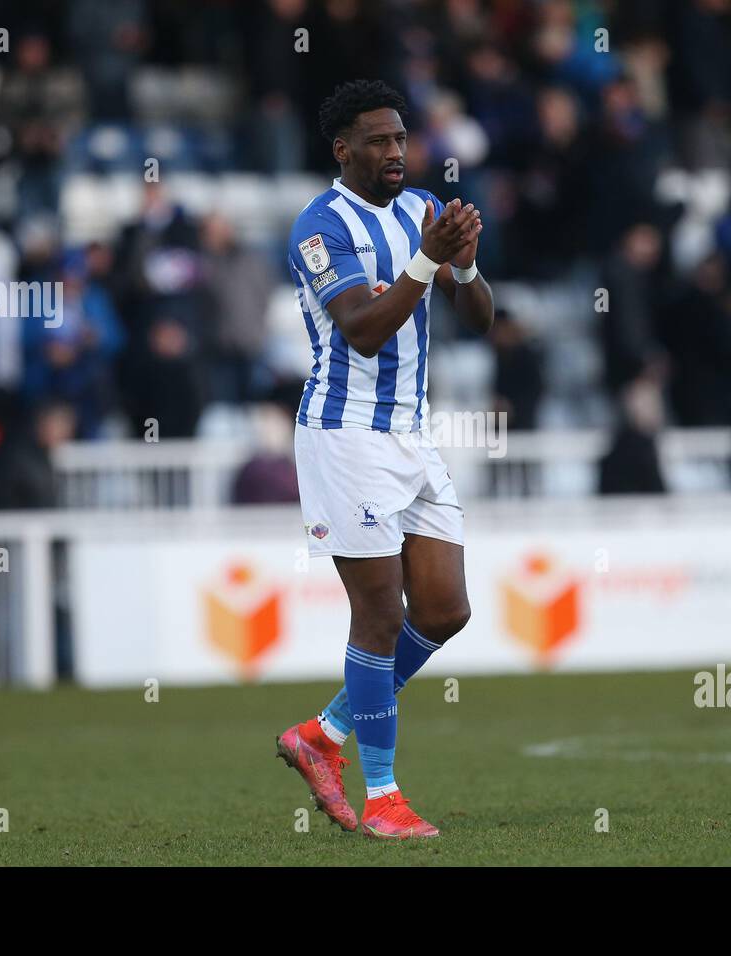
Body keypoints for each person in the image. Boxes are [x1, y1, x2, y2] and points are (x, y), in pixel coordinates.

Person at [275, 81, 493, 840]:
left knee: (444, 609)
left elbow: (482, 318)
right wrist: (429, 265)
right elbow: (363, 330)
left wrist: (462, 266)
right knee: (378, 616)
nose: (395, 152)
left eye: (401, 138)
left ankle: (322, 737)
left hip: (412, 433)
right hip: (345, 437)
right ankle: (385, 799)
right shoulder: (317, 227)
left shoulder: (423, 212)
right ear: (343, 150)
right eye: (377, 140)